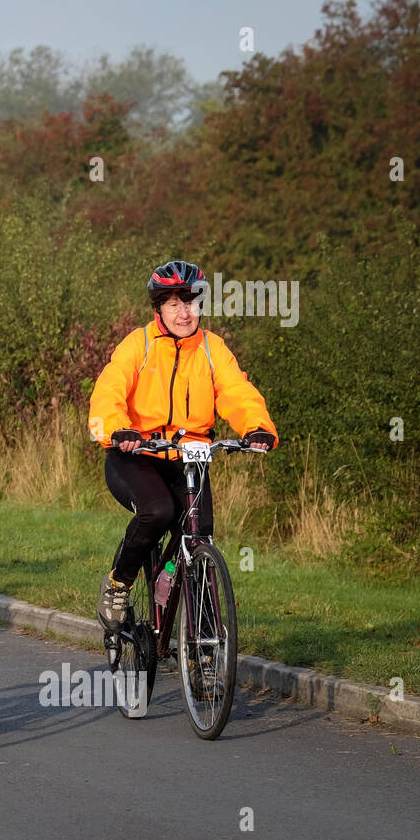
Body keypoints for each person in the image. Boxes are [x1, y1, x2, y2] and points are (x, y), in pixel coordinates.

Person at [88, 259, 278, 640]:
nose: (184, 312)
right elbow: (108, 392)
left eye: (190, 302)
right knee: (158, 511)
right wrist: (117, 430)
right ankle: (118, 584)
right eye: (174, 303)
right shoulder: (138, 345)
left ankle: (206, 645)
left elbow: (236, 391)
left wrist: (256, 427)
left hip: (189, 459)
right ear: (158, 308)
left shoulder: (212, 348)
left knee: (199, 536)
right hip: (135, 454)